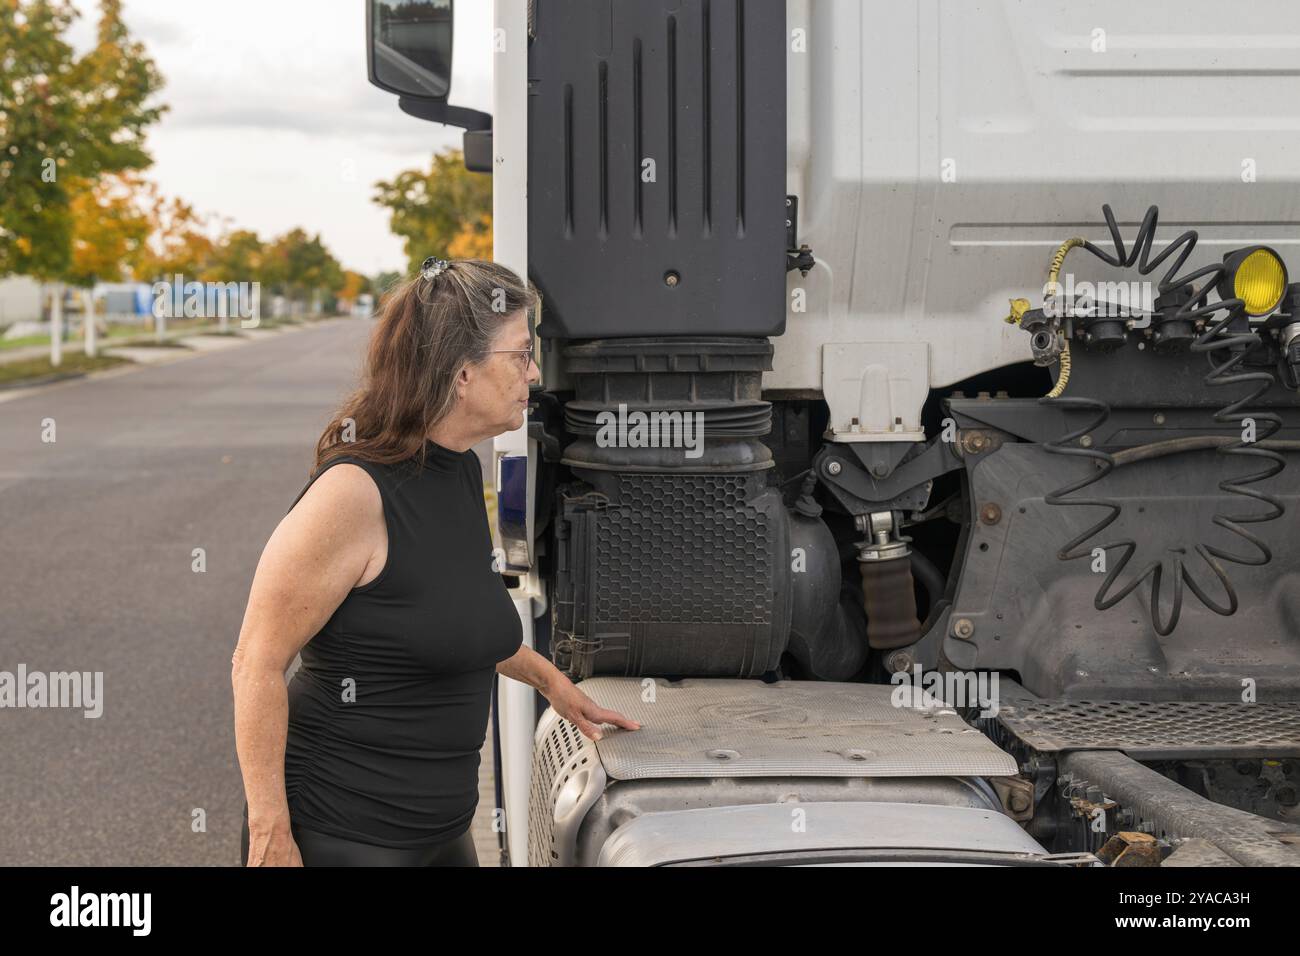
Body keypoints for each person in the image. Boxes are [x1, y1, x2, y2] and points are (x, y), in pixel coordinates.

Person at [231, 258, 639, 866]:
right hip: (342, 830)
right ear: (461, 373)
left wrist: (557, 686)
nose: (534, 374)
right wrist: (270, 831)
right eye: (521, 354)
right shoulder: (354, 493)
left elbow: (451, 619)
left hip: (441, 830)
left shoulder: (457, 469)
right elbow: (255, 662)